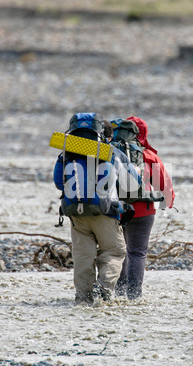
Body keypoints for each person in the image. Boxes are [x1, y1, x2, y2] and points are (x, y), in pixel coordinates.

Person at [53, 114, 140, 305]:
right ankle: (103, 289)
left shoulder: (66, 154)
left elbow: (59, 182)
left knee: (83, 256)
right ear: (106, 136)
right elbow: (133, 184)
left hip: (77, 213)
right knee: (114, 251)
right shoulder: (113, 153)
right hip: (106, 212)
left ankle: (83, 297)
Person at [115, 116, 175, 300]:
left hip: (118, 209)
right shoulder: (150, 156)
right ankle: (134, 295)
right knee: (137, 252)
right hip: (145, 210)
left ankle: (118, 292)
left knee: (120, 251)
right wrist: (168, 203)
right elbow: (165, 188)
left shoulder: (114, 152)